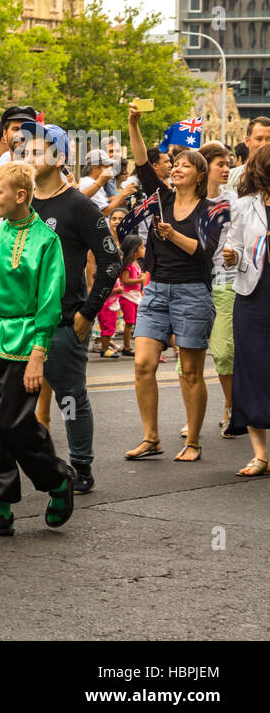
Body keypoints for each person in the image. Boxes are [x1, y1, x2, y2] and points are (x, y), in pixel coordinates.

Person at [0, 161, 75, 537]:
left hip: (26, 342)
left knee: (17, 424)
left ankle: (57, 481)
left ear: (20, 196)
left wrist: (38, 354)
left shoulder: (46, 240)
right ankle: (1, 509)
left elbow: (49, 299)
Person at [25, 121, 121, 493]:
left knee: (69, 398)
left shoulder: (79, 205)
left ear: (60, 157)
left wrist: (88, 312)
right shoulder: (23, 201)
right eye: (24, 151)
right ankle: (5, 467)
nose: (28, 158)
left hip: (65, 321)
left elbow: (110, 261)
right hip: (18, 321)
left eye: (36, 151)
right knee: (8, 400)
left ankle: (81, 466)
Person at [122, 102, 217, 463]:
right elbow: (143, 162)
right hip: (157, 289)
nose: (176, 168)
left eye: (184, 166)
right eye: (174, 165)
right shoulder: (160, 197)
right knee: (143, 363)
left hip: (193, 292)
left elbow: (204, 251)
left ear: (199, 174)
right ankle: (152, 438)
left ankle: (192, 441)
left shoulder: (210, 210)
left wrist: (172, 235)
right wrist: (134, 123)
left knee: (191, 371)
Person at [223, 146, 270, 475]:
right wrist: (231, 257)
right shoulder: (242, 204)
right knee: (252, 370)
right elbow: (234, 246)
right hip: (253, 295)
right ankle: (260, 455)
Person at [200, 141, 237, 437]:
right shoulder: (188, 200)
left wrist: (234, 252)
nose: (226, 169)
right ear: (205, 168)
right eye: (220, 164)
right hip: (194, 283)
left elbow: (244, 237)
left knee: (224, 352)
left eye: (229, 163)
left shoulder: (234, 201)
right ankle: (194, 414)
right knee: (190, 355)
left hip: (226, 282)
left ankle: (230, 406)